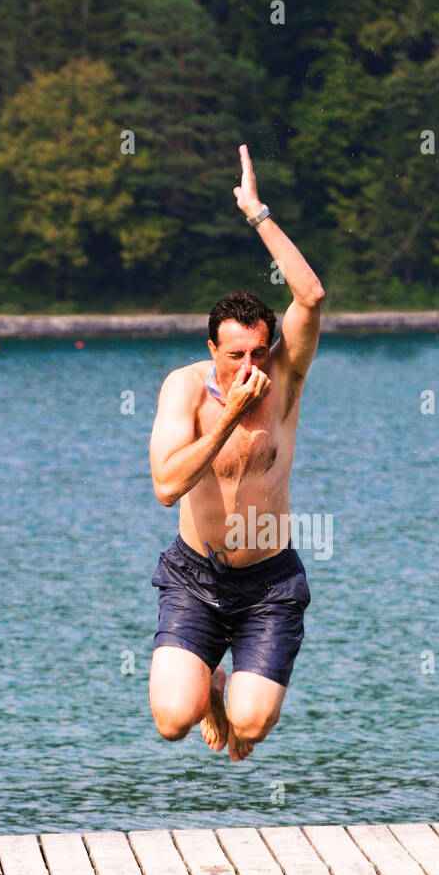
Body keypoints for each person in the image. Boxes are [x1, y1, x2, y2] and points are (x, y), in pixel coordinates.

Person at [148, 144, 325, 761]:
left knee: (249, 729)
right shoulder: (186, 389)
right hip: (195, 577)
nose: (250, 367)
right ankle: (206, 686)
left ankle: (229, 693)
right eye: (235, 355)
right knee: (172, 721)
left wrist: (257, 213)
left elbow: (311, 296)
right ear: (212, 350)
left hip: (270, 583)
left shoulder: (286, 383)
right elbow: (166, 486)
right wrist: (224, 420)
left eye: (258, 351)